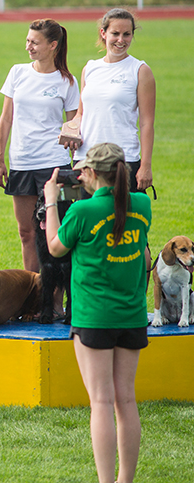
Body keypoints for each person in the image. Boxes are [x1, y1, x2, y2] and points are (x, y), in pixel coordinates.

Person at [42, 142, 151, 483]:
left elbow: (54, 247)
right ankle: (125, 480)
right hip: (132, 314)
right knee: (127, 400)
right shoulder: (143, 205)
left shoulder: (82, 212)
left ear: (89, 173)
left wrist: (50, 201)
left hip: (94, 316)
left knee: (101, 402)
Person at [0, 18, 80, 273]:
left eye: (34, 42)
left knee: (60, 232)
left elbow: (73, 125)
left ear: (53, 45)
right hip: (22, 162)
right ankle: (33, 294)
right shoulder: (17, 72)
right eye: (28, 41)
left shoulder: (67, 81)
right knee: (26, 232)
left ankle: (57, 301)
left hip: (56, 165)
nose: (28, 46)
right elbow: (5, 119)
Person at [78, 8, 156, 194]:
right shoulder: (90, 68)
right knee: (90, 221)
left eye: (126, 34)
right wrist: (70, 132)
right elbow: (81, 114)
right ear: (103, 33)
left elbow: (147, 123)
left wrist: (145, 165)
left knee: (123, 221)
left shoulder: (140, 70)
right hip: (87, 160)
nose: (121, 40)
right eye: (115, 33)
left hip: (123, 160)